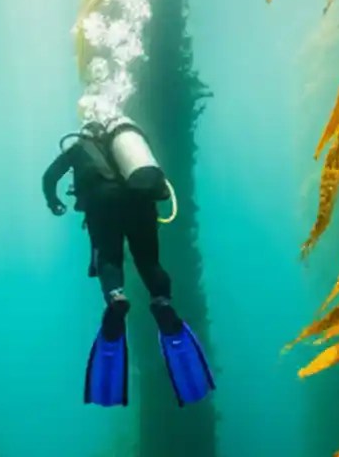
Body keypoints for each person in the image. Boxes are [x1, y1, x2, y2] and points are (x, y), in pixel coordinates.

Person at [43, 119, 214, 408]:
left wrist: (54, 202)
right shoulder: (127, 148)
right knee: (149, 260)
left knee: (109, 258)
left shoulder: (77, 148)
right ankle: (161, 300)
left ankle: (116, 297)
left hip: (102, 204)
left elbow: (50, 177)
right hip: (139, 202)